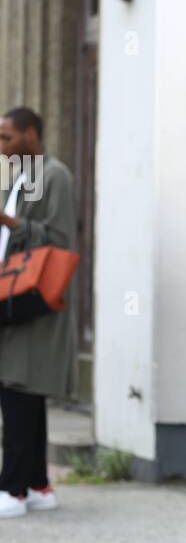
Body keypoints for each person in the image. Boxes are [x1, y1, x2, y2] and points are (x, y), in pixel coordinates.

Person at [0, 107, 78, 518]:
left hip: (35, 300)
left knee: (17, 388)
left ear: (32, 134)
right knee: (22, 394)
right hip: (14, 297)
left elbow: (61, 240)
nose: (3, 146)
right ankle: (37, 485)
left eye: (8, 137)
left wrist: (8, 220)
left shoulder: (55, 175)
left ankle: (11, 489)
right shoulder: (24, 178)